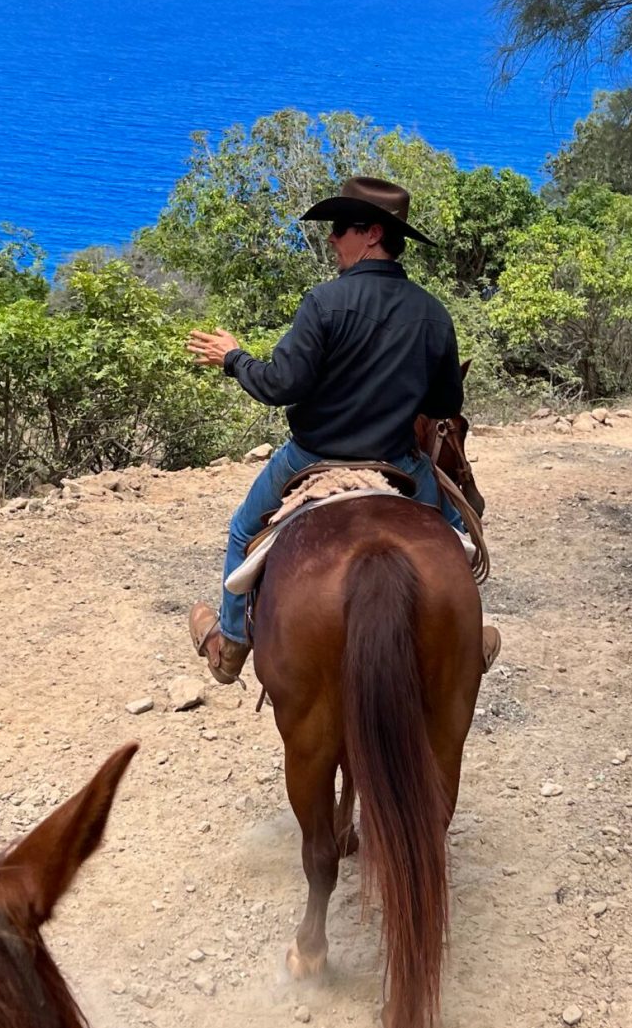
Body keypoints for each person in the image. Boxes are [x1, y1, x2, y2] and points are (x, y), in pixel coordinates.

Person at [185, 175, 501, 684]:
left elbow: (279, 385)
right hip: (397, 461)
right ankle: (467, 639)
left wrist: (233, 357)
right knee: (456, 533)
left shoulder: (324, 303)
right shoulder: (433, 314)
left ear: (371, 233)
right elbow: (445, 404)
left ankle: (231, 645)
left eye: (339, 228)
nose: (332, 238)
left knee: (244, 528)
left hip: (311, 457)